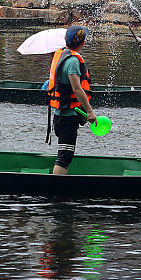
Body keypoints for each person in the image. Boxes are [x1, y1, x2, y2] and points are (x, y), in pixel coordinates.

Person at [44, 25, 97, 175]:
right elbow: (77, 89)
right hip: (67, 117)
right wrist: (90, 111)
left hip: (60, 114)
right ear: (83, 42)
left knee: (64, 154)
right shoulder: (73, 61)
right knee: (64, 157)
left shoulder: (61, 54)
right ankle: (58, 193)